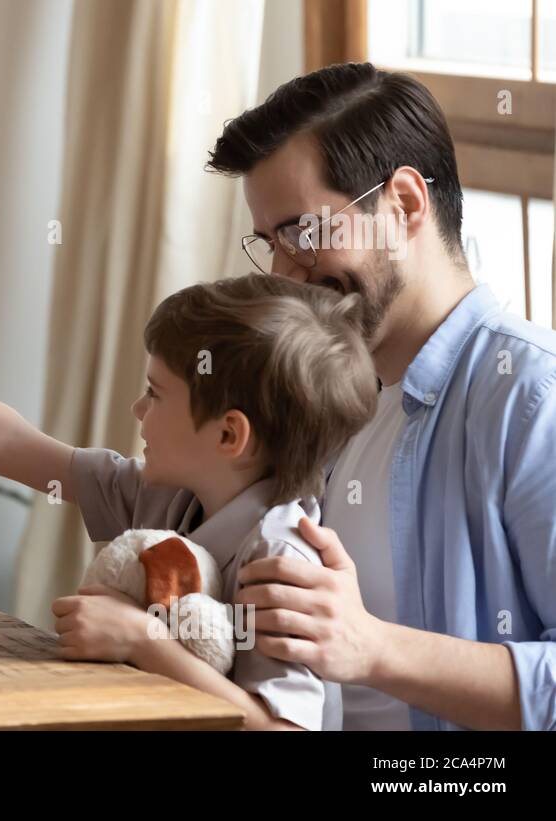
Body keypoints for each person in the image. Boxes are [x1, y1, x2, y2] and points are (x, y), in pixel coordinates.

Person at [0, 217, 378, 729]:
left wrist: (141, 639)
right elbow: (8, 440)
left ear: (229, 435)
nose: (138, 410)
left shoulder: (283, 562)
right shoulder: (165, 497)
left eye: (155, 394)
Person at [210, 62, 556, 730]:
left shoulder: (530, 397)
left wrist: (371, 647)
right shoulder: (324, 396)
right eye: (269, 242)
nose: (285, 273)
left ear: (403, 204)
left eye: (304, 233)